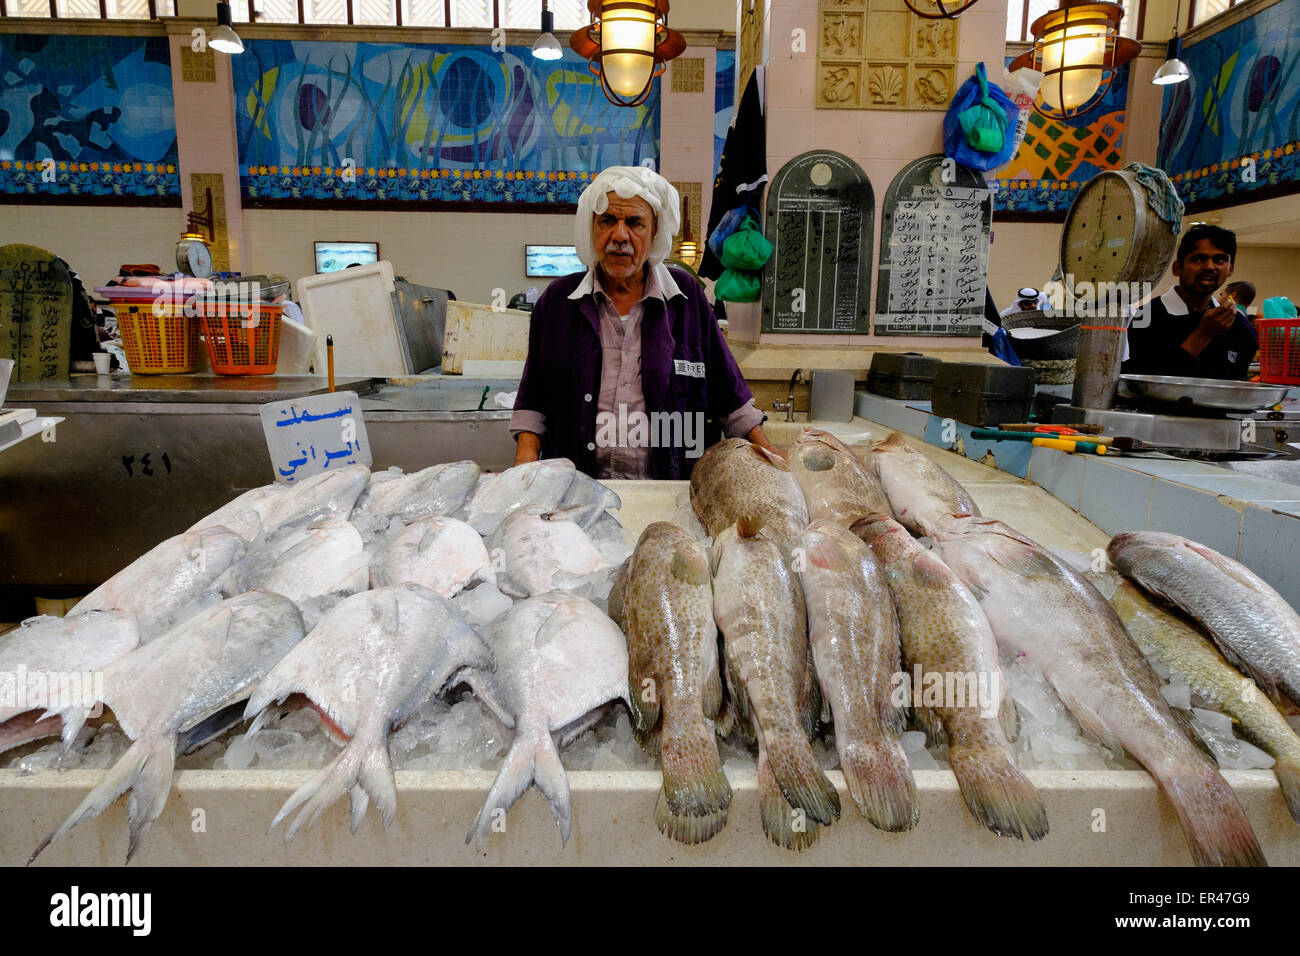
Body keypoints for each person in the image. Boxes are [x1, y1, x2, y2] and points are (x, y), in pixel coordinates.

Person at [510, 165, 774, 480]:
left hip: (667, 487)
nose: (619, 236)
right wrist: (522, 472)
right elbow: (534, 398)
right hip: (575, 488)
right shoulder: (558, 301)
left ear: (654, 232)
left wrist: (771, 458)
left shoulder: (686, 298)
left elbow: (729, 396)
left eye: (635, 222)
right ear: (592, 228)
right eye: (607, 220)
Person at [1122, 223, 1257, 381]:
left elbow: (1236, 387)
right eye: (1198, 259)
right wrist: (1202, 334)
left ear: (1230, 269)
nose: (1209, 267)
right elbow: (1137, 381)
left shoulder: (1237, 326)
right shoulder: (1144, 317)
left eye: (1220, 260)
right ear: (1177, 268)